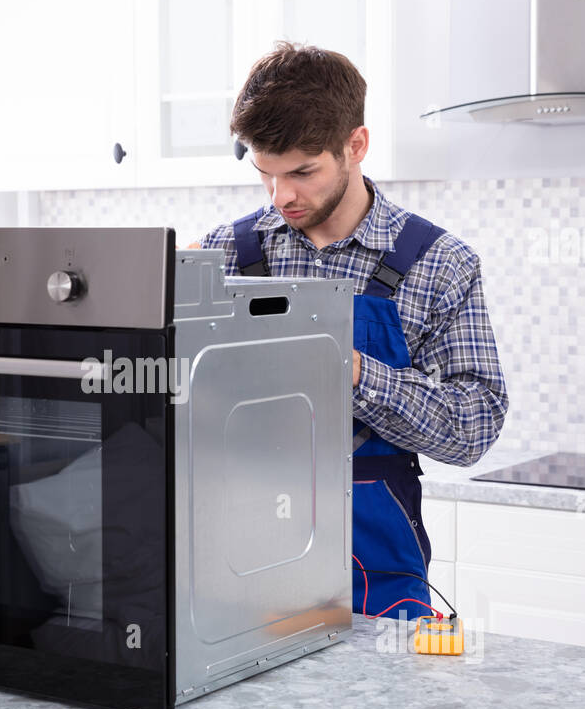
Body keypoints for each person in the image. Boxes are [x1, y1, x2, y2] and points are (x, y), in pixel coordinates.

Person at [190, 41, 508, 621]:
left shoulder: (439, 263)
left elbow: (474, 428)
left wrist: (352, 371)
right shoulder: (224, 253)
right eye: (265, 173)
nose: (282, 196)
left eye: (303, 172)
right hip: (236, 567)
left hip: (375, 571)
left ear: (355, 145)